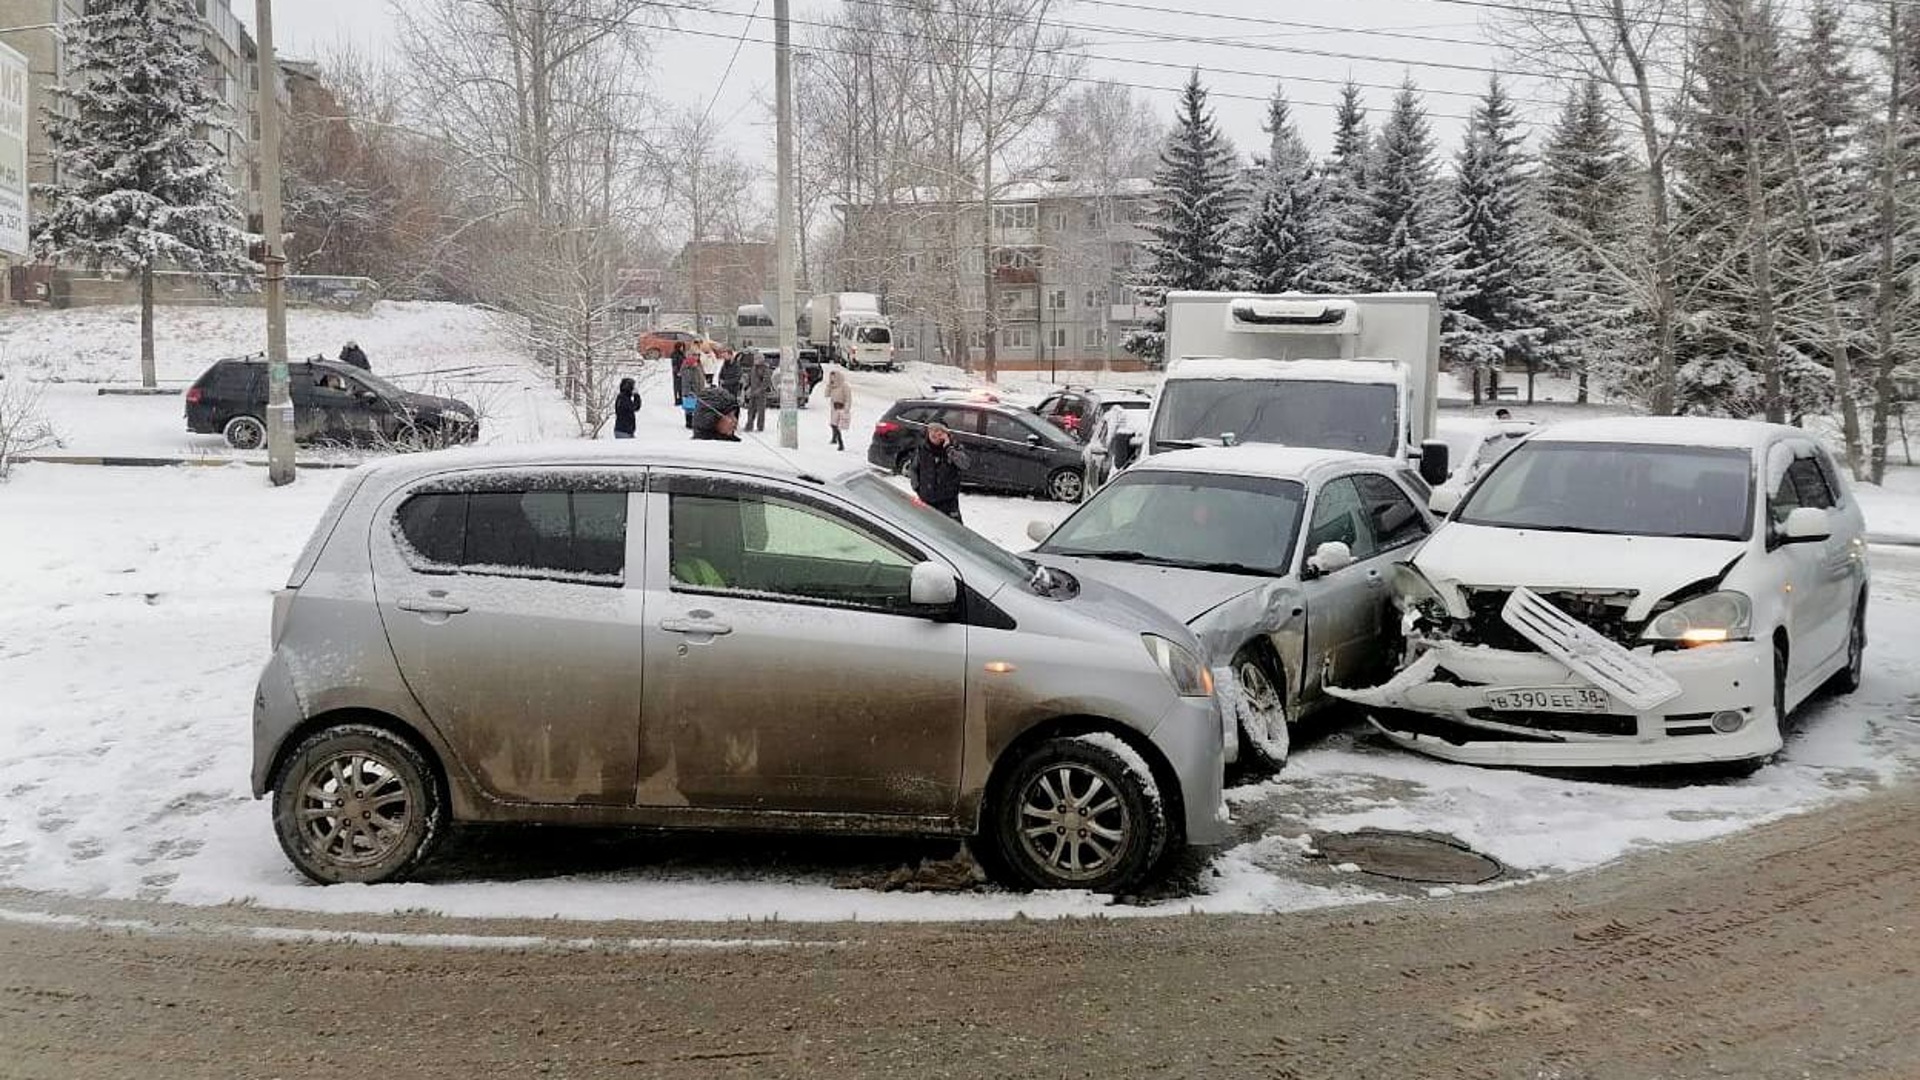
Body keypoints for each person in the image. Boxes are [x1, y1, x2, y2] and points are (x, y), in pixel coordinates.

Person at [911, 421, 971, 522]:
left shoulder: (954, 448)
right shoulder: (923, 448)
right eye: (932, 430)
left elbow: (965, 464)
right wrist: (917, 487)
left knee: (951, 532)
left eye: (938, 431)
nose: (934, 434)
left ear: (945, 434)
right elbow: (914, 469)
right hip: (926, 500)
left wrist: (948, 448)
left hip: (948, 503)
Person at [675, 343, 704, 429]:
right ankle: (689, 423)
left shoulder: (698, 364)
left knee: (697, 407)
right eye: (695, 355)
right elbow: (687, 381)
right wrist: (689, 391)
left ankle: (695, 422)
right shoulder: (688, 366)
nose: (697, 357)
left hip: (698, 389)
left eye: (698, 355)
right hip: (690, 391)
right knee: (689, 408)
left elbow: (701, 376)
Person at [743, 351, 771, 433]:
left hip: (761, 394)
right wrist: (747, 387)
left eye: (757, 359)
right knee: (750, 410)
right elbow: (750, 379)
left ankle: (760, 427)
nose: (755, 360)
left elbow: (766, 382)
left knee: (760, 411)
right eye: (755, 359)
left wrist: (759, 390)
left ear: (761, 360)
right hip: (752, 392)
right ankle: (749, 426)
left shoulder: (765, 369)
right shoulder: (753, 368)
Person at [826, 368, 852, 450]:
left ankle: (841, 443)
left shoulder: (844, 386)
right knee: (833, 424)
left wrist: (846, 409)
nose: (832, 379)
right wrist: (829, 386)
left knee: (838, 426)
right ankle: (834, 438)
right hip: (834, 408)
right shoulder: (832, 386)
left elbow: (848, 398)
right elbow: (827, 394)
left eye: (834, 377)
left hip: (842, 408)